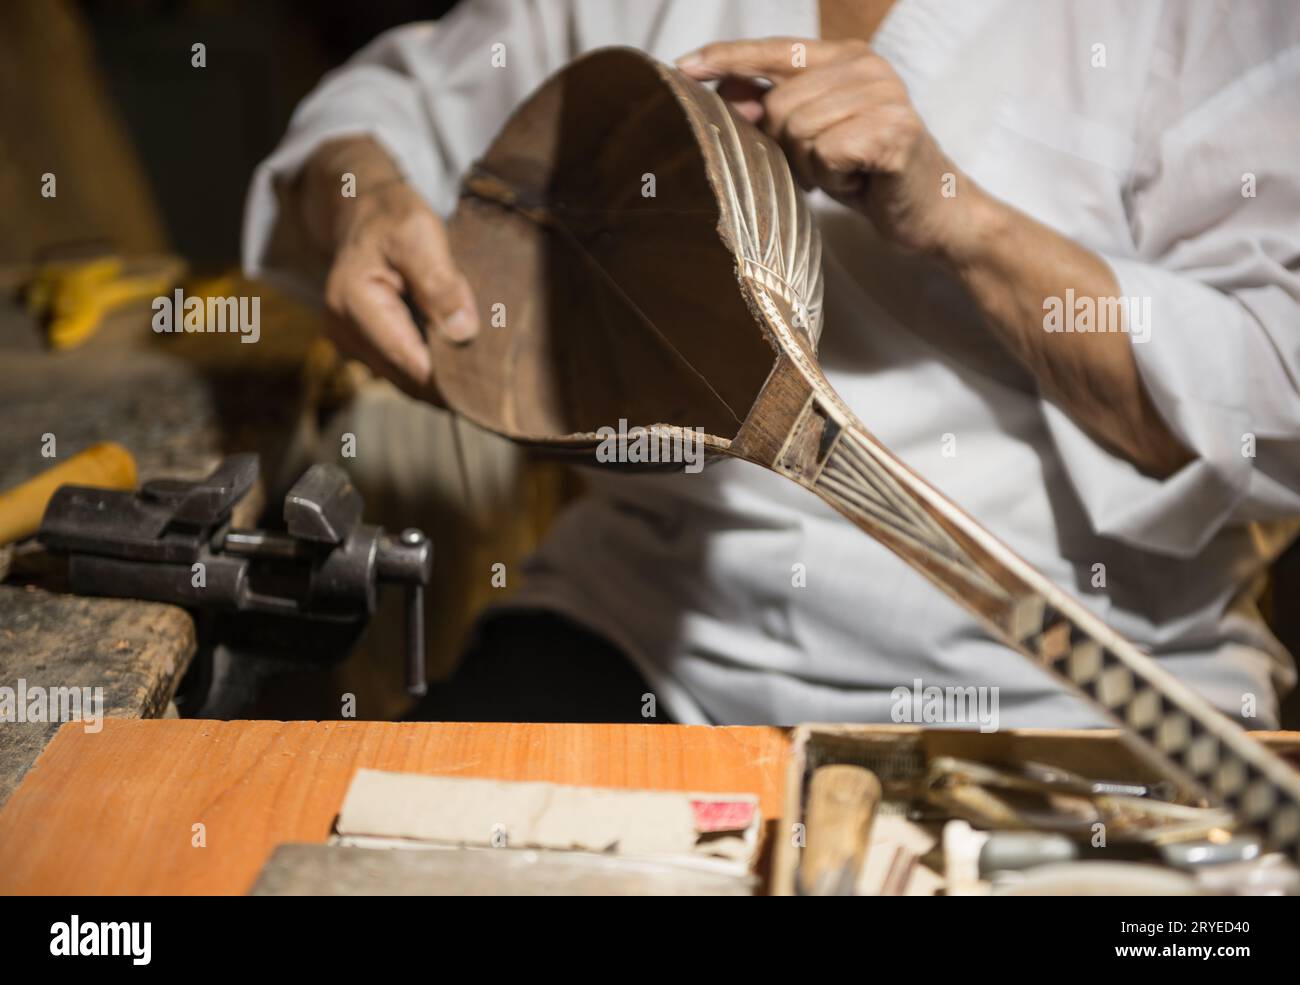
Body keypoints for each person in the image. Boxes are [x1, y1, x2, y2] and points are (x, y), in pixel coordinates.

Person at [244, 0, 1300, 728]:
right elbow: (378, 108)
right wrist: (360, 195)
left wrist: (962, 219)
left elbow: (1273, 397)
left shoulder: (1215, 28)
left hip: (1073, 673)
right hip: (650, 624)